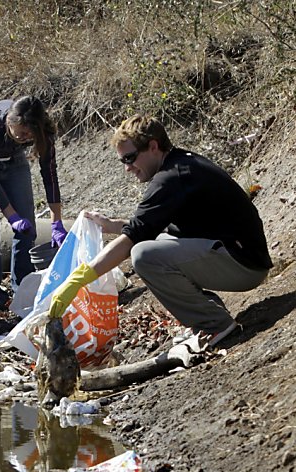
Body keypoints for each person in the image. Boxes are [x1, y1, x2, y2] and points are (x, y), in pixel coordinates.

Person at [48, 114, 272, 349]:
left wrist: (77, 281)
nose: (127, 168)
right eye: (122, 161)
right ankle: (207, 310)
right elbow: (149, 228)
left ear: (153, 146)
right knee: (153, 243)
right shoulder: (180, 164)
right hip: (239, 254)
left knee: (144, 256)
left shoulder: (170, 178)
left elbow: (133, 240)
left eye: (130, 158)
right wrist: (113, 225)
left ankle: (214, 324)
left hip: (245, 265)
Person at [0, 96, 66, 316]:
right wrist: (11, 217)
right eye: (17, 131)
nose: (22, 137)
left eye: (28, 135)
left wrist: (56, 221)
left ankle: (22, 290)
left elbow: (50, 174)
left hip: (14, 160)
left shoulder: (44, 132)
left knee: (28, 227)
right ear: (9, 121)